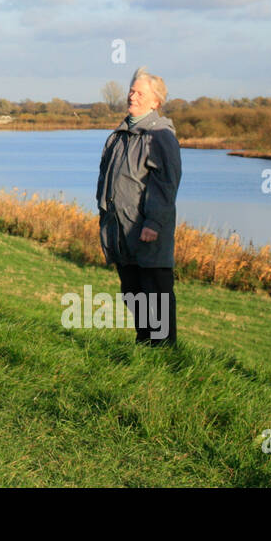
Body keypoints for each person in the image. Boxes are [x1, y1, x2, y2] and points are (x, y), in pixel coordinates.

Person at [96, 67, 182, 345]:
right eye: (131, 90)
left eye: (139, 93)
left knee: (155, 293)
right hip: (122, 233)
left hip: (147, 232)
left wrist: (154, 223)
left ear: (155, 102)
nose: (132, 96)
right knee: (132, 293)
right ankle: (145, 347)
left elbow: (165, 184)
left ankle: (165, 355)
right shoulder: (119, 136)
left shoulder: (160, 136)